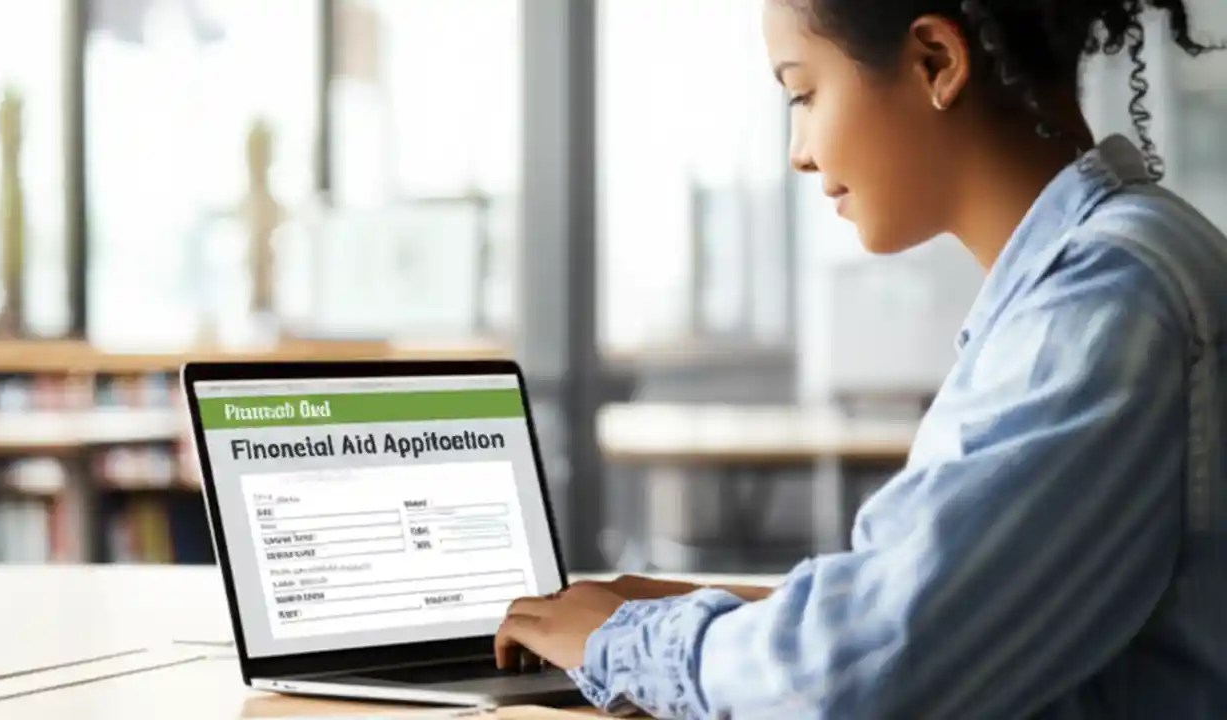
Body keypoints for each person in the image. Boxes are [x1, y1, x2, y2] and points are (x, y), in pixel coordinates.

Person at [495, 0, 1227, 717]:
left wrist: (622, 642)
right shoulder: (1122, 262)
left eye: (804, 92)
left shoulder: (1101, 303)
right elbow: (947, 611)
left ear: (936, 62)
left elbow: (865, 681)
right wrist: (722, 612)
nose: (800, 150)